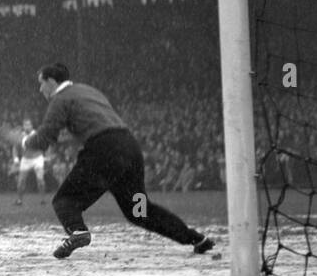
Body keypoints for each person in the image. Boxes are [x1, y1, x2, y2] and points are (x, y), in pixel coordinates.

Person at [23, 63, 214, 259]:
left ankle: (78, 231)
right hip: (129, 148)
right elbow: (96, 124)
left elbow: (45, 137)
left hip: (104, 151)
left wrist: (26, 141)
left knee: (65, 201)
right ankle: (196, 239)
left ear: (52, 81)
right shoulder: (88, 91)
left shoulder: (60, 98)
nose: (40, 89)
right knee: (140, 210)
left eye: (41, 83)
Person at [12, 117, 45, 205]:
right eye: (25, 125)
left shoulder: (37, 134)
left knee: (40, 180)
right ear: (23, 126)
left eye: (29, 125)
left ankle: (42, 199)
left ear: (32, 126)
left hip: (37, 159)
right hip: (25, 160)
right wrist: (16, 159)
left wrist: (46, 155)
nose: (27, 126)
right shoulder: (20, 135)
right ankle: (19, 200)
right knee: (21, 181)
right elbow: (15, 148)